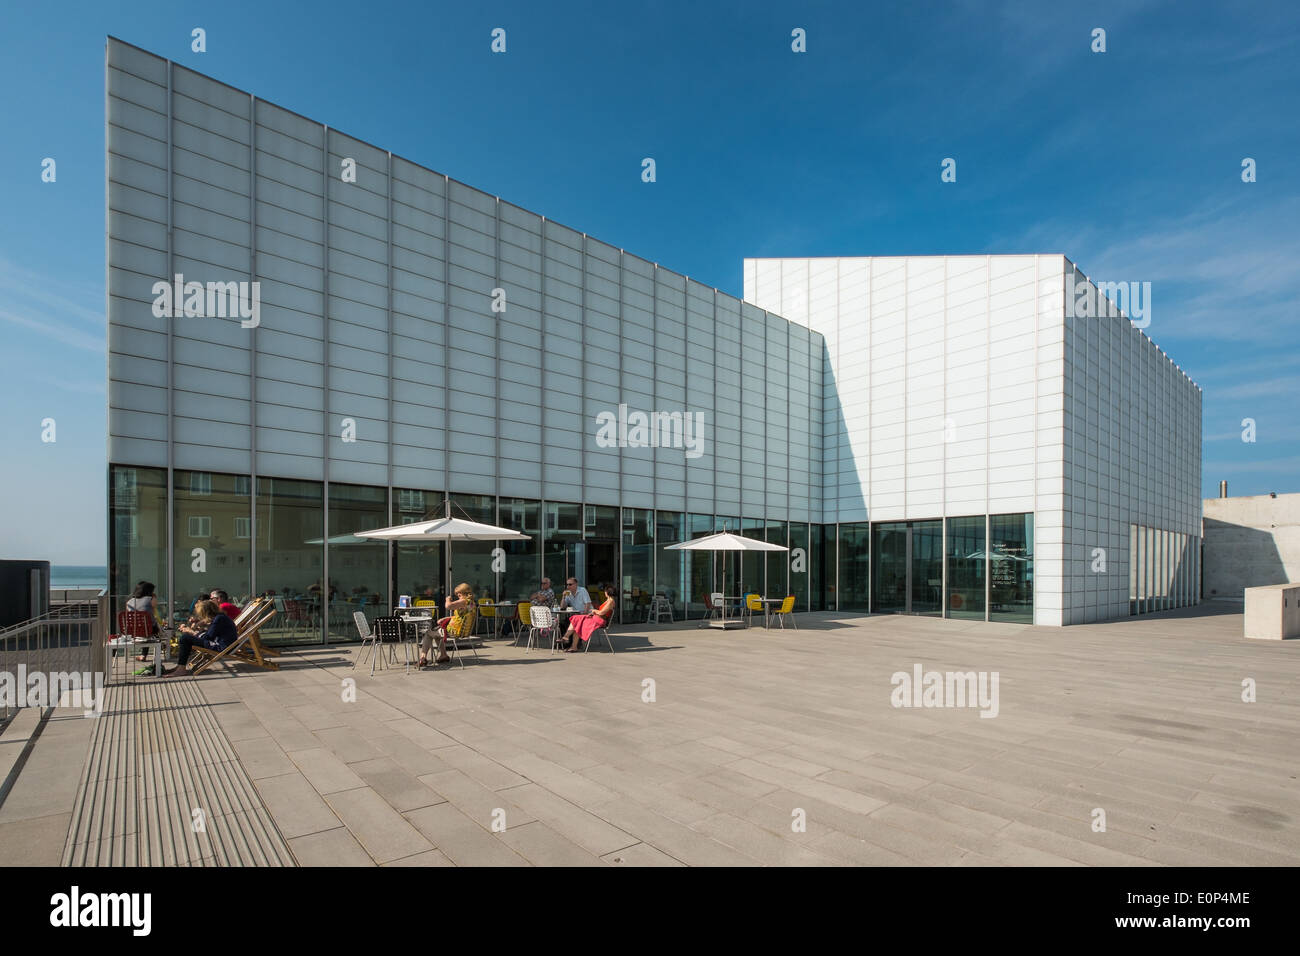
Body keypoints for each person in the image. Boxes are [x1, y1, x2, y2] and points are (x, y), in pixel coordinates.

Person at [162, 599, 237, 677]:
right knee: (187, 638)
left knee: (185, 638)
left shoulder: (219, 619)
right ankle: (180, 666)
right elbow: (210, 634)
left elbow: (208, 638)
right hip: (223, 644)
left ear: (206, 613)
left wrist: (191, 631)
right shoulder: (221, 617)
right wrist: (198, 629)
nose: (201, 617)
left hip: (221, 647)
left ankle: (181, 668)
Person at [418, 583, 474, 668]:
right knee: (437, 633)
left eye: (458, 594)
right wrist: (446, 618)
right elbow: (461, 617)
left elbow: (448, 606)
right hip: (464, 631)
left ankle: (423, 657)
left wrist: (447, 599)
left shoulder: (463, 601)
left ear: (462, 593)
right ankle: (443, 655)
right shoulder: (471, 603)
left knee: (428, 632)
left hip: (455, 630)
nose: (458, 596)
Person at [559, 583, 615, 652]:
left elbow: (601, 612)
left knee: (577, 620)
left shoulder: (610, 601)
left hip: (599, 621)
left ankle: (568, 640)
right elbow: (601, 612)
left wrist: (594, 610)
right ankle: (570, 642)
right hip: (596, 618)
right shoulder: (609, 600)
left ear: (606, 592)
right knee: (576, 620)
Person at [126, 581, 161, 665]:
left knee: (145, 628)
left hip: (133, 631)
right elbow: (155, 605)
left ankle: (143, 655)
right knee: (150, 628)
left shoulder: (129, 602)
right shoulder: (150, 599)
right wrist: (154, 597)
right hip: (151, 630)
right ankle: (146, 655)